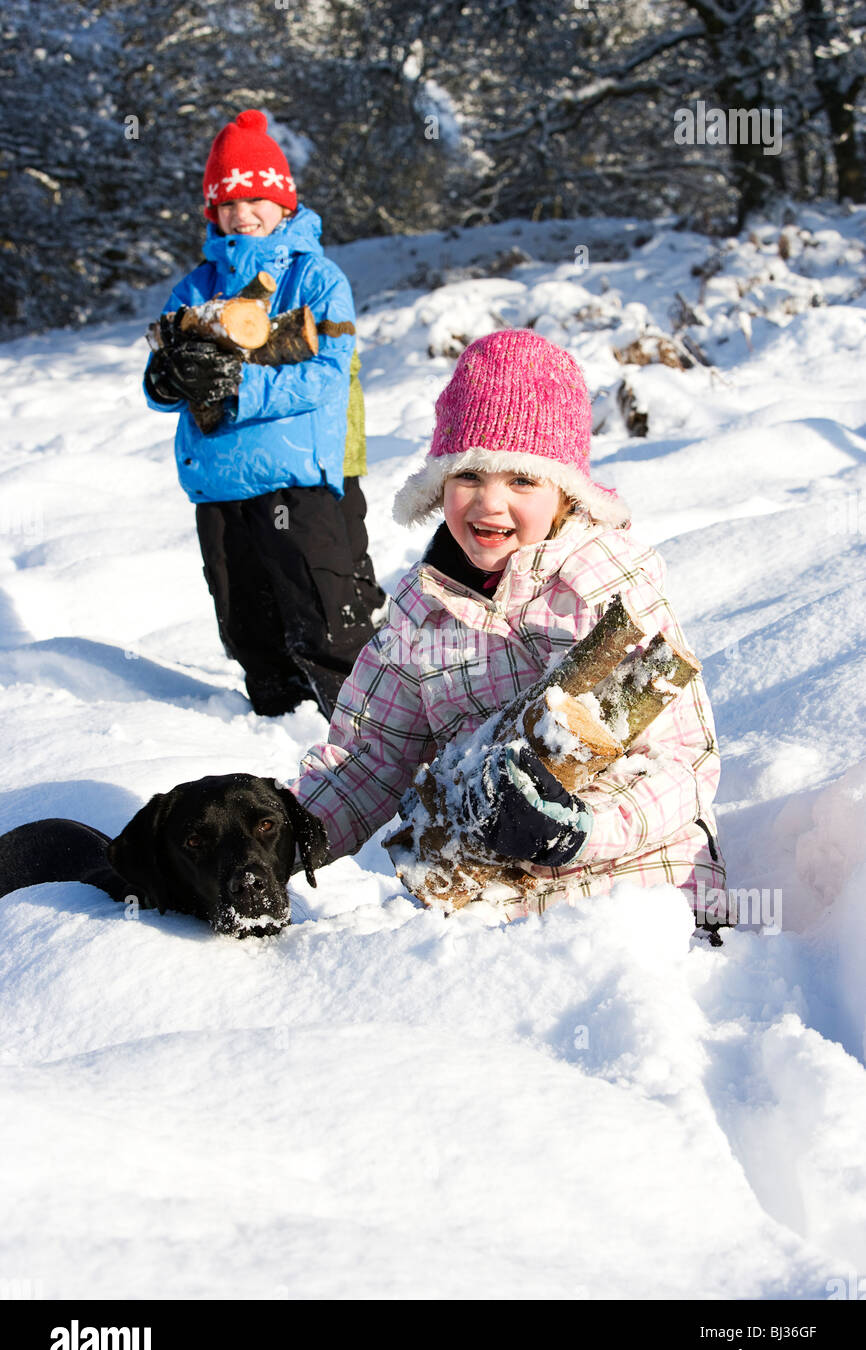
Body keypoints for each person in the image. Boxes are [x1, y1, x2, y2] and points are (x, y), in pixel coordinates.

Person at [287, 329, 727, 923]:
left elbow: (686, 765)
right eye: (469, 476)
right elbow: (369, 758)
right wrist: (276, 837)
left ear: (565, 494)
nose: (489, 504)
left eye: (521, 480)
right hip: (486, 907)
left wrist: (582, 832)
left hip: (643, 899)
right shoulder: (423, 611)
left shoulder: (607, 591)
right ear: (440, 485)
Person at [143, 109, 384, 719]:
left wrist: (238, 388)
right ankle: (270, 728)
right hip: (218, 485)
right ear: (212, 212)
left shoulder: (315, 278)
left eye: (256, 198)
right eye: (228, 203)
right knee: (247, 625)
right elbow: (164, 373)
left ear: (283, 202)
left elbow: (327, 376)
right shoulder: (196, 288)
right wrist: (166, 379)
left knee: (326, 619)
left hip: (294, 481)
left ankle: (362, 738)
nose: (242, 213)